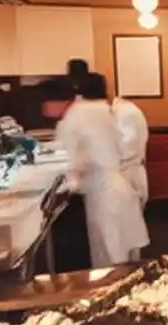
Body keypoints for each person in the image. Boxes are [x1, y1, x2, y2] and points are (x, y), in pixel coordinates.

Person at [56, 79, 149, 267]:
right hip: (116, 186)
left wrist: (71, 180)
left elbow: (87, 158)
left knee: (111, 251)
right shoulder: (102, 112)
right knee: (120, 247)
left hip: (112, 188)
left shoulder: (89, 113)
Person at [113, 95, 151, 249]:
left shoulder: (125, 114)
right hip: (129, 172)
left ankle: (130, 266)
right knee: (129, 228)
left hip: (129, 173)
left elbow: (126, 148)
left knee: (128, 230)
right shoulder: (121, 111)